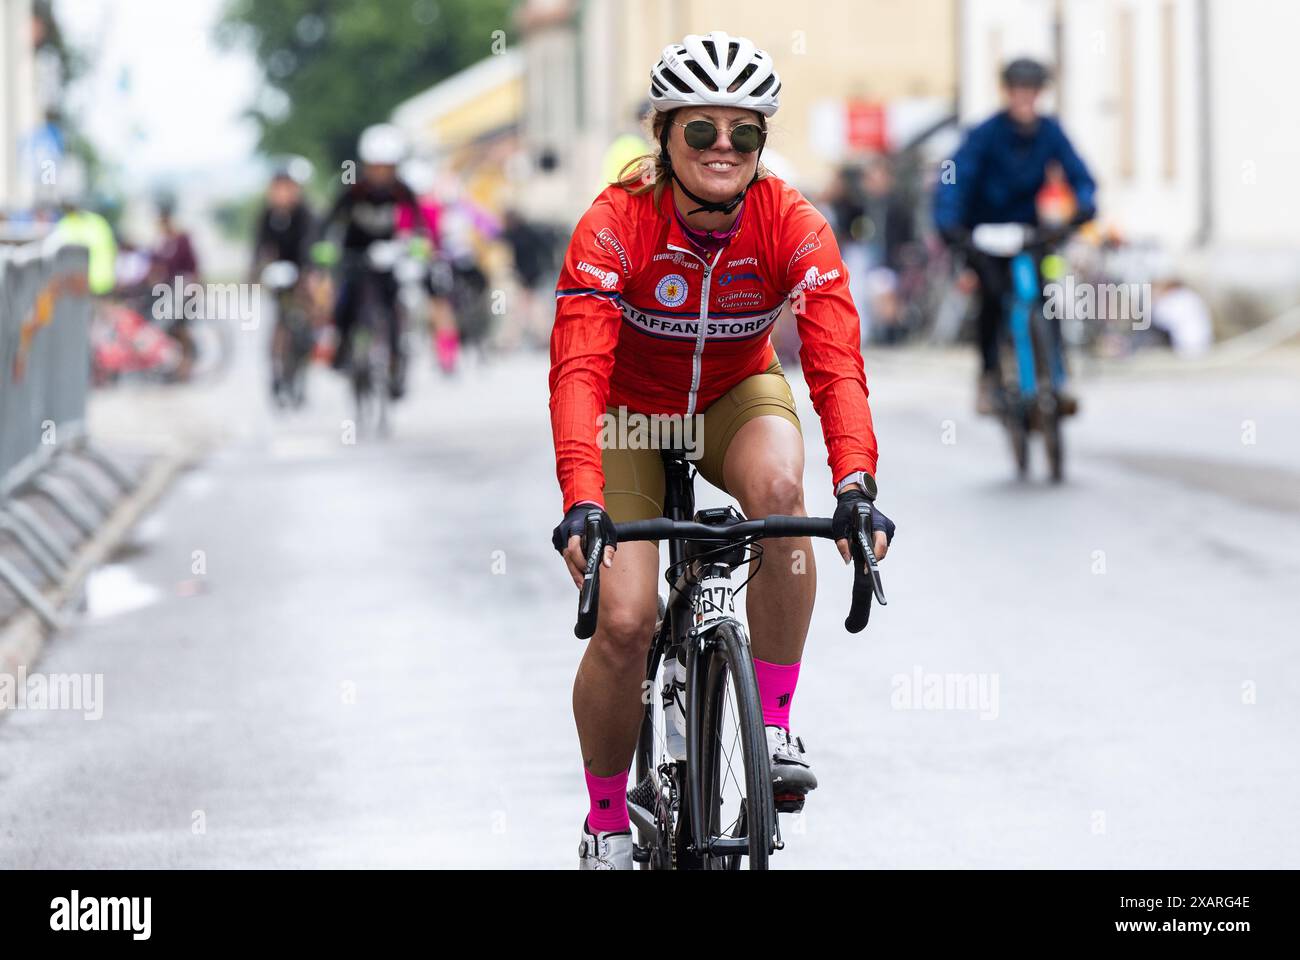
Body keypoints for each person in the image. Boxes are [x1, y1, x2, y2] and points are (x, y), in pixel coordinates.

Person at [548, 31, 896, 869]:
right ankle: (604, 821)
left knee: (782, 491)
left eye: (744, 132)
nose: (723, 149)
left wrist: (856, 481)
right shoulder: (614, 223)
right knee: (626, 620)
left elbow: (836, 360)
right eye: (701, 131)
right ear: (664, 135)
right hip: (630, 415)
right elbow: (580, 371)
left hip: (733, 397)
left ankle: (772, 728)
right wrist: (582, 504)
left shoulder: (791, 222)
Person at [933, 57, 1096, 414]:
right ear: (1007, 92)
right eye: (1018, 90)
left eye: (1032, 91)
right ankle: (990, 376)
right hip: (983, 233)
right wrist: (950, 224)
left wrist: (1083, 206)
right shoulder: (985, 134)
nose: (1025, 98)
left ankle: (1057, 376)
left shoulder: (1050, 132)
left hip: (1028, 230)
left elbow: (1080, 175)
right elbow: (954, 180)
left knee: (1043, 296)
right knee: (992, 300)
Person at [318, 123, 432, 398]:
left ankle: (394, 363)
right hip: (355, 255)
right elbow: (329, 221)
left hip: (388, 256)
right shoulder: (352, 188)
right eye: (376, 166)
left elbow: (419, 225)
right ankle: (342, 350)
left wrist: (418, 247)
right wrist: (325, 249)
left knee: (392, 306)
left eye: (387, 166)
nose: (381, 173)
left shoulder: (402, 190)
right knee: (345, 303)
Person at [251, 168, 316, 399]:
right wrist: (255, 272)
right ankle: (277, 371)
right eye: (277, 188)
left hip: (302, 268)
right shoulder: (267, 215)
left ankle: (308, 355)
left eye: (287, 187)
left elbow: (311, 244)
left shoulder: (306, 214)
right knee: (279, 322)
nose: (282, 193)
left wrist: (308, 273)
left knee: (310, 313)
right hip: (278, 273)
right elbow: (259, 247)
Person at [148, 200, 201, 381]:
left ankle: (186, 364)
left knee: (179, 326)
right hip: (165, 290)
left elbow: (193, 265)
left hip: (183, 288)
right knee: (165, 326)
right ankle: (171, 365)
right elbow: (154, 263)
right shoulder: (160, 242)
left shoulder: (181, 239)